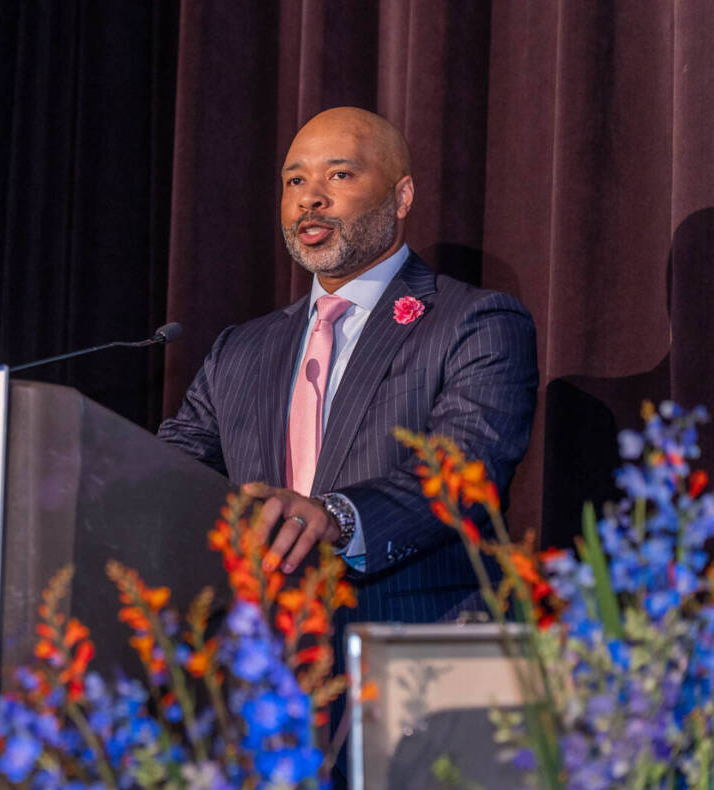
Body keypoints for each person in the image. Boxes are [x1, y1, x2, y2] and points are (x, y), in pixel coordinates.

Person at [158, 107, 538, 623]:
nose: (310, 197)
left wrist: (335, 517)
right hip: (265, 657)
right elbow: (173, 472)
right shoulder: (241, 349)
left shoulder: (476, 321)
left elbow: (463, 472)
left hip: (413, 642)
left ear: (402, 196)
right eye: (295, 180)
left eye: (339, 174)